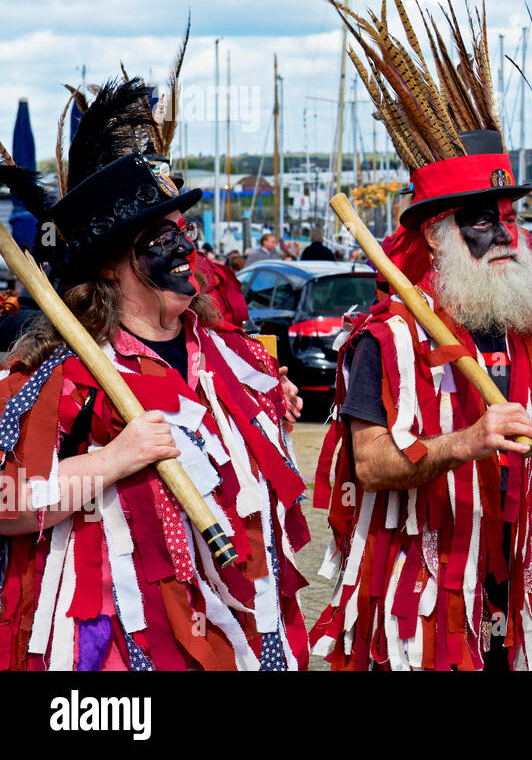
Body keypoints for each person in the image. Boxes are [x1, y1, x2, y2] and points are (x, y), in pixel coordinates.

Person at [307, 0, 532, 670]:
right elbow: (369, 464)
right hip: (416, 604)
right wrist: (465, 441)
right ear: (435, 234)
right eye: (478, 220)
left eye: (507, 216)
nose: (501, 234)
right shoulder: (385, 341)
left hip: (519, 601)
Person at [0, 72, 311, 670]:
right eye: (161, 236)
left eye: (184, 230)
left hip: (246, 638)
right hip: (118, 646)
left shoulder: (236, 361)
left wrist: (272, 410)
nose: (186, 246)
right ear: (113, 266)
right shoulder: (57, 375)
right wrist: (112, 460)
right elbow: (6, 502)